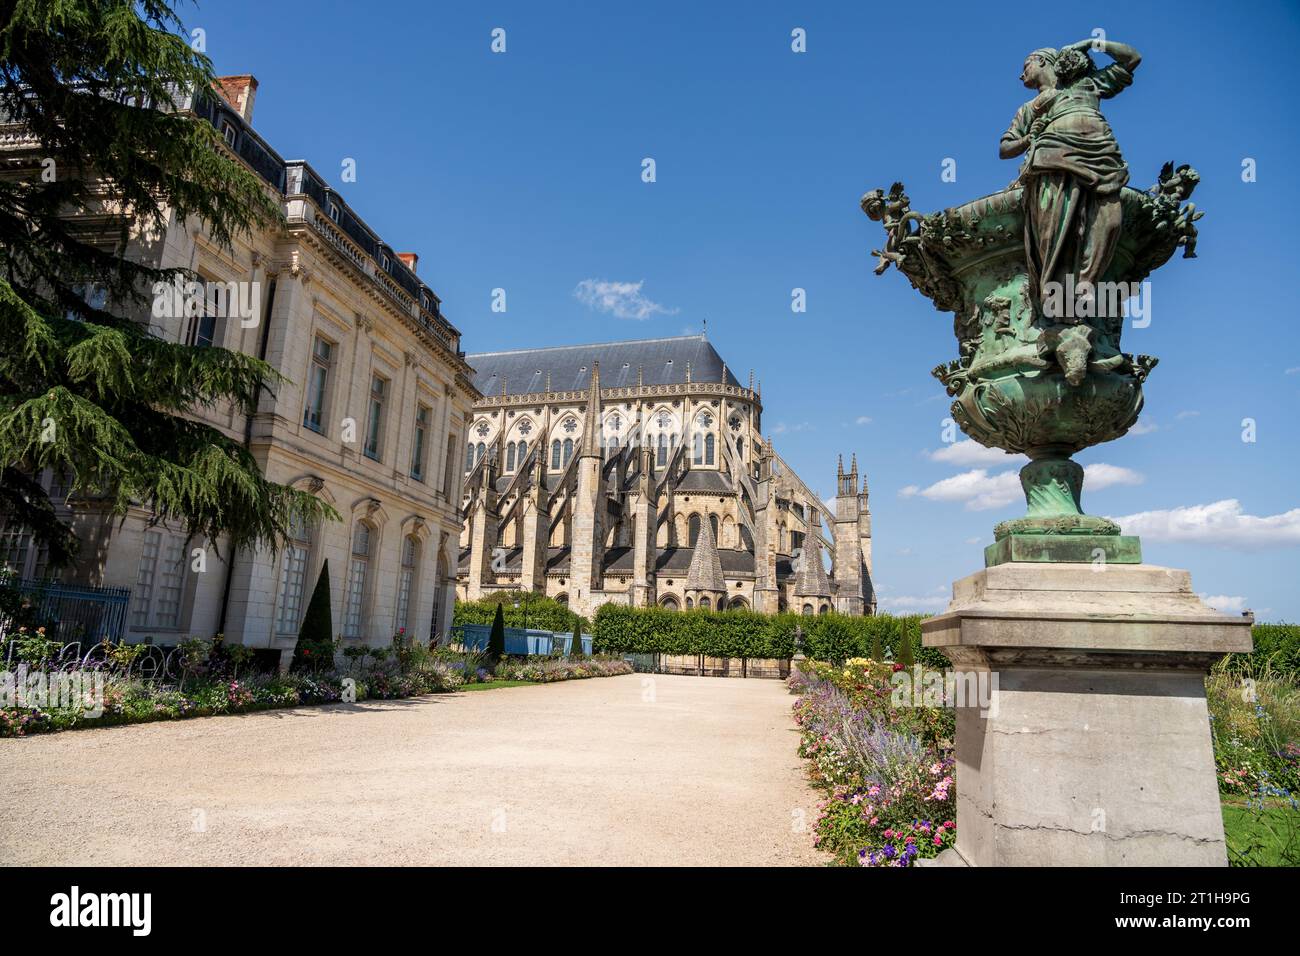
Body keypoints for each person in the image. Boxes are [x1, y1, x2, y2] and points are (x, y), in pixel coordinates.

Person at [1000, 39, 1142, 319]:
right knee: (1053, 230)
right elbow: (1005, 149)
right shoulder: (1030, 108)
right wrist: (1030, 137)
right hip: (1052, 160)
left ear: (1042, 60)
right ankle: (1054, 294)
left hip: (1099, 152)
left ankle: (1087, 281)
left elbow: (1132, 59)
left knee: (1111, 219)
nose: (1021, 74)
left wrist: (1094, 43)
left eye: (1025, 65)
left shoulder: (1087, 84)